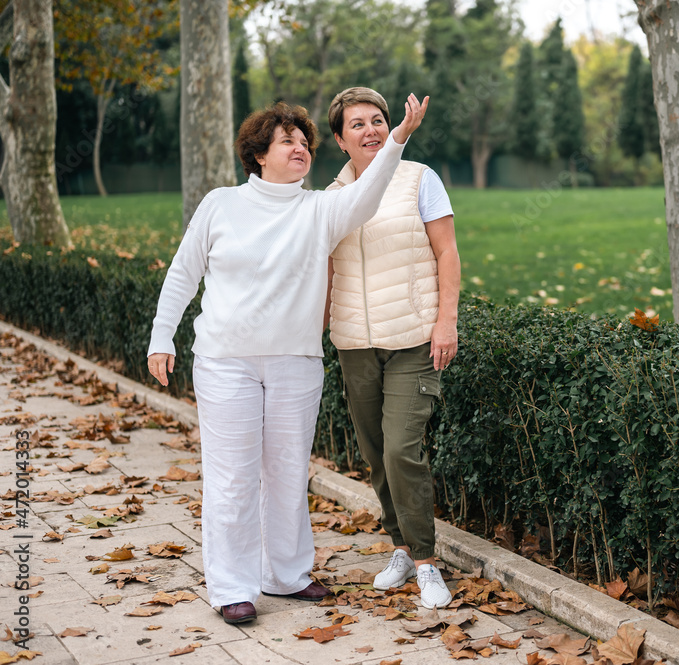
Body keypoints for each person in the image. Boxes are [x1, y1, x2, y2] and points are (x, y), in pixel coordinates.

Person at [146, 95, 429, 625]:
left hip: (295, 363)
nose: (300, 148)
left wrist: (398, 138)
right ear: (258, 154)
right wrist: (162, 336)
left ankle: (286, 574)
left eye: (305, 143)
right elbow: (184, 272)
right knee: (232, 478)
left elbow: (368, 193)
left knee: (287, 474)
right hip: (225, 362)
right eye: (287, 141)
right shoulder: (220, 204)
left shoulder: (319, 209)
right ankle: (232, 587)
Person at [324, 87, 459, 610]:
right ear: (340, 140)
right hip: (355, 343)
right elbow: (326, 270)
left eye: (377, 120)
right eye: (356, 124)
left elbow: (447, 252)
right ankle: (400, 547)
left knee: (402, 449)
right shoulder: (332, 196)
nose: (371, 130)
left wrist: (445, 323)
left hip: (412, 340)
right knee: (376, 454)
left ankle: (426, 562)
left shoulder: (420, 179)